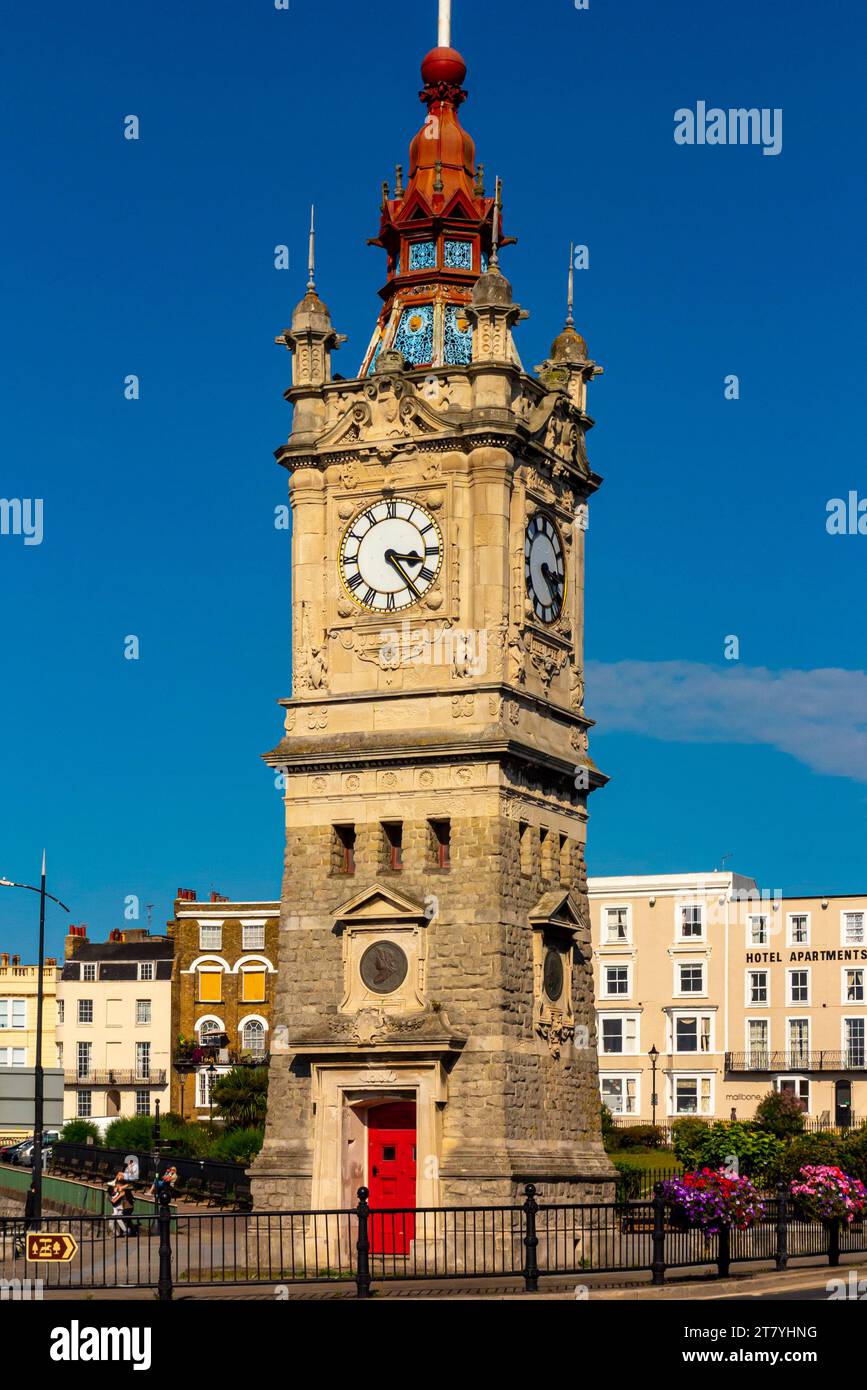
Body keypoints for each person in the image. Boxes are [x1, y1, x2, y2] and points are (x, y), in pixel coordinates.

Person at [108, 1171, 129, 1236]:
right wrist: (120, 1195)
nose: (115, 1188)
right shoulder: (109, 1195)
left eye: (116, 1187)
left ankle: (126, 1231)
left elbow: (127, 1185)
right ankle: (116, 1234)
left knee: (118, 1218)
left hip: (121, 1208)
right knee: (110, 1223)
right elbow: (113, 1201)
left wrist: (119, 1177)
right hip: (115, 1209)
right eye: (114, 1188)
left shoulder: (119, 1190)